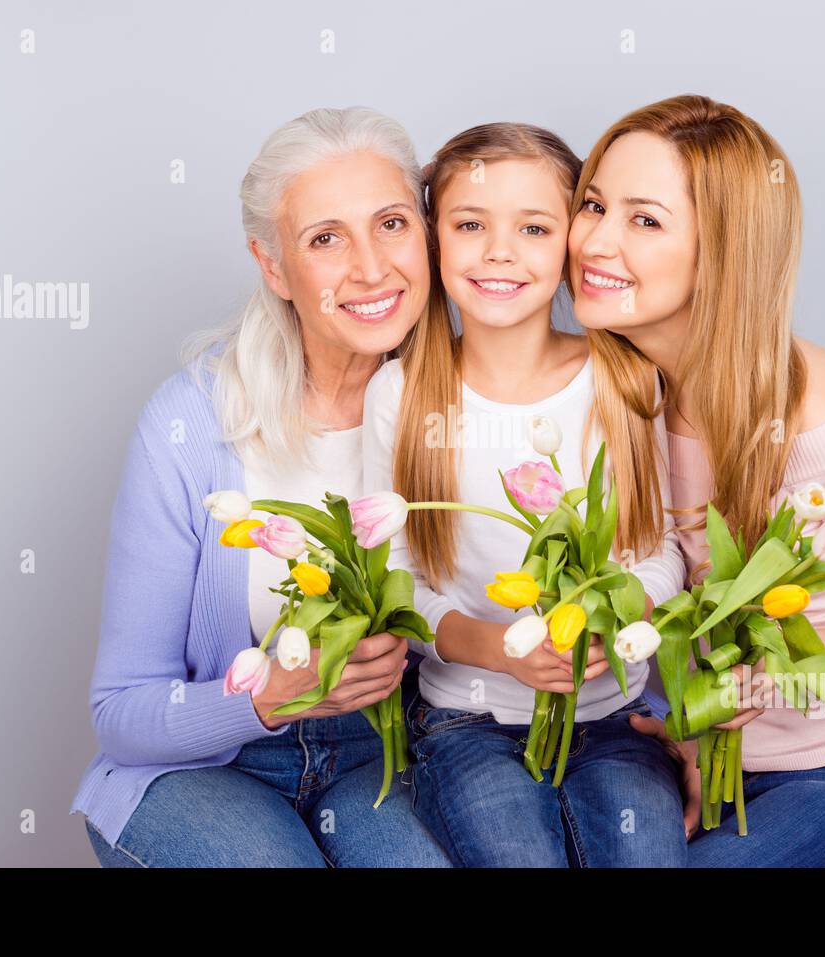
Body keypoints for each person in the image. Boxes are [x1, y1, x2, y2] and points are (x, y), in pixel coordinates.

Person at [566, 94, 825, 867]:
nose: (595, 241)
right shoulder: (627, 398)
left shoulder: (812, 408)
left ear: (725, 249)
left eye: (645, 220)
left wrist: (769, 675)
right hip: (719, 774)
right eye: (594, 205)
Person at [70, 106, 450, 867]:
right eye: (325, 238)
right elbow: (122, 710)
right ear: (273, 265)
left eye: (392, 223)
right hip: (207, 766)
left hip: (377, 760)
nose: (372, 267)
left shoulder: (462, 406)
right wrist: (269, 694)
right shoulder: (192, 421)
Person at [361, 122, 688, 867]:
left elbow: (659, 552)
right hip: (467, 721)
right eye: (471, 225)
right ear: (436, 242)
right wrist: (503, 653)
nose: (499, 251)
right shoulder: (404, 395)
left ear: (570, 244)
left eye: (533, 227)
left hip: (615, 720)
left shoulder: (621, 380)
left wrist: (617, 619)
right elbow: (398, 585)